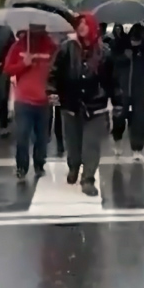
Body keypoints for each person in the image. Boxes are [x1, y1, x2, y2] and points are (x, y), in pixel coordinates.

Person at [47, 13, 120, 196]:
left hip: (96, 105)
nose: (80, 27)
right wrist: (52, 91)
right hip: (70, 103)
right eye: (78, 24)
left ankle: (88, 178)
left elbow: (113, 81)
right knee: (72, 142)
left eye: (84, 24)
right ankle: (73, 166)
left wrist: (118, 103)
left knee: (91, 144)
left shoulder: (104, 52)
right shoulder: (67, 48)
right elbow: (53, 72)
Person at [4, 22, 57, 180]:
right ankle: (21, 166)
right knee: (22, 135)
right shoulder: (18, 47)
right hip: (23, 100)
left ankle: (39, 164)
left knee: (42, 137)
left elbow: (59, 70)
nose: (36, 32)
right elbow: (7, 69)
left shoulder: (52, 47)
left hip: (44, 100)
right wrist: (23, 64)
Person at [110, 23, 144, 159]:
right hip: (121, 89)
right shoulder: (119, 46)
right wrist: (124, 57)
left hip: (139, 89)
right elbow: (112, 64)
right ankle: (117, 140)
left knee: (139, 119)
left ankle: (137, 148)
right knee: (119, 117)